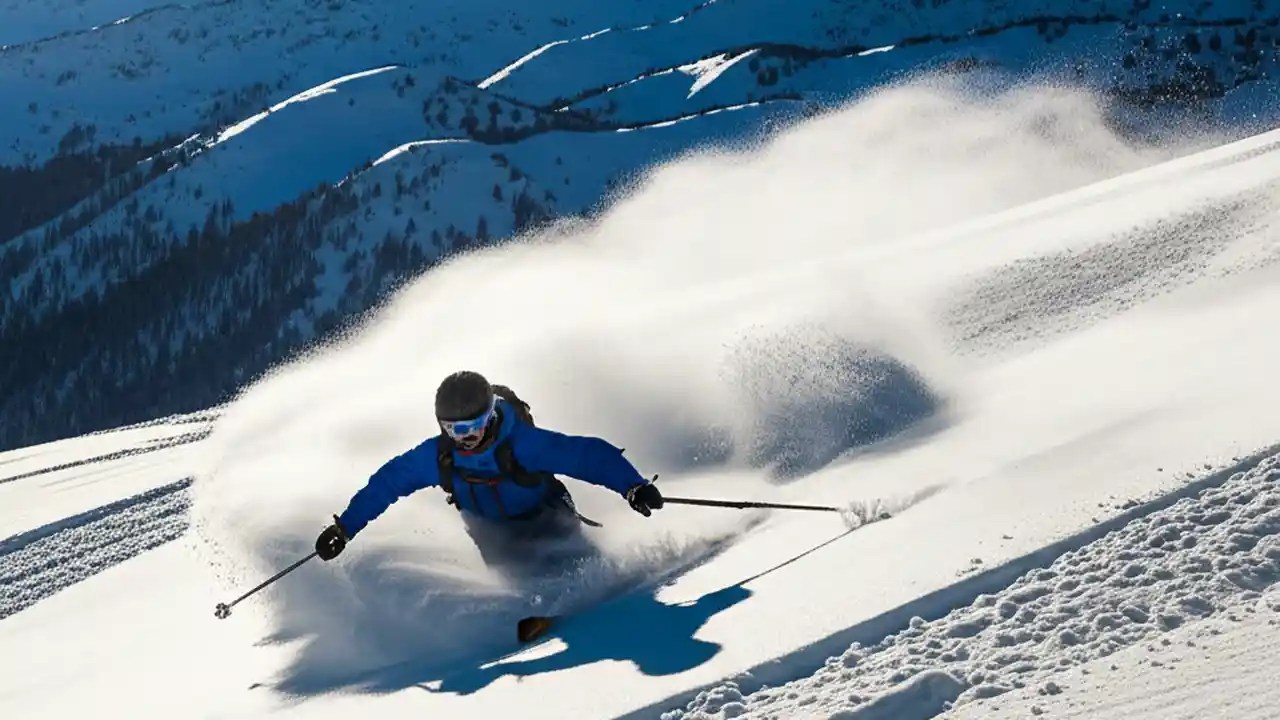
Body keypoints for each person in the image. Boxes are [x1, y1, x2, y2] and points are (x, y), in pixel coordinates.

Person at [314, 370, 664, 570]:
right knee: (513, 571)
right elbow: (387, 483)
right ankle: (536, 613)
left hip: (545, 513)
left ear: (492, 415)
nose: (466, 438)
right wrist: (345, 528)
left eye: (475, 425)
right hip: (490, 531)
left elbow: (587, 455)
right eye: (455, 430)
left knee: (574, 558)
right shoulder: (437, 457)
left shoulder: (523, 444)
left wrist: (632, 486)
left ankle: (608, 598)